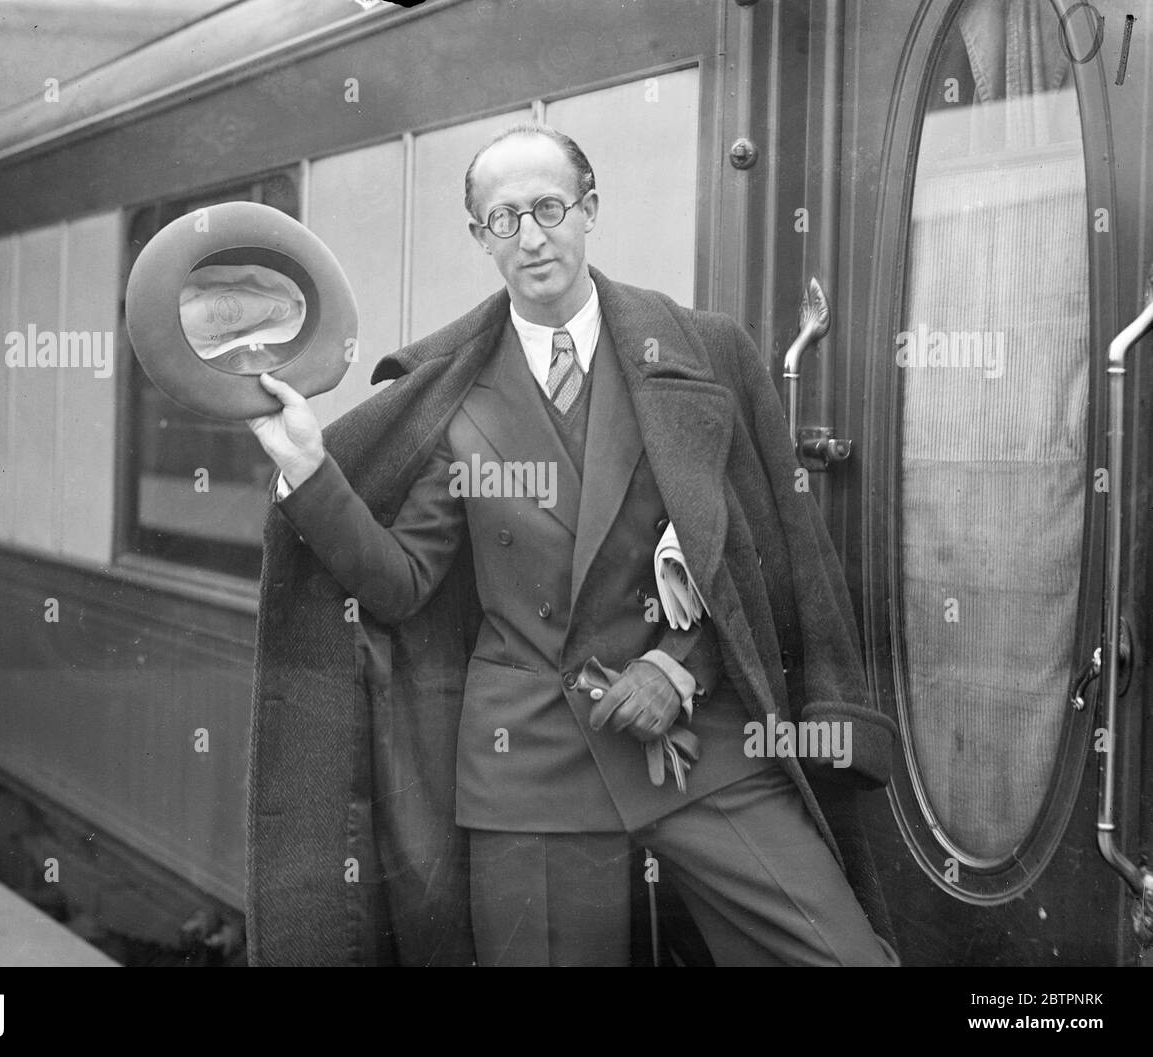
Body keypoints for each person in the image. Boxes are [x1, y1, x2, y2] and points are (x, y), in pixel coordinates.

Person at [244, 123, 900, 966]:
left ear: (589, 210)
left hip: (700, 741)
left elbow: (753, 550)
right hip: (532, 764)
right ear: (481, 238)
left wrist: (678, 664)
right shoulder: (453, 395)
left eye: (549, 207)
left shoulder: (699, 354)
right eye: (504, 218)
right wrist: (306, 468)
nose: (532, 235)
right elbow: (402, 583)